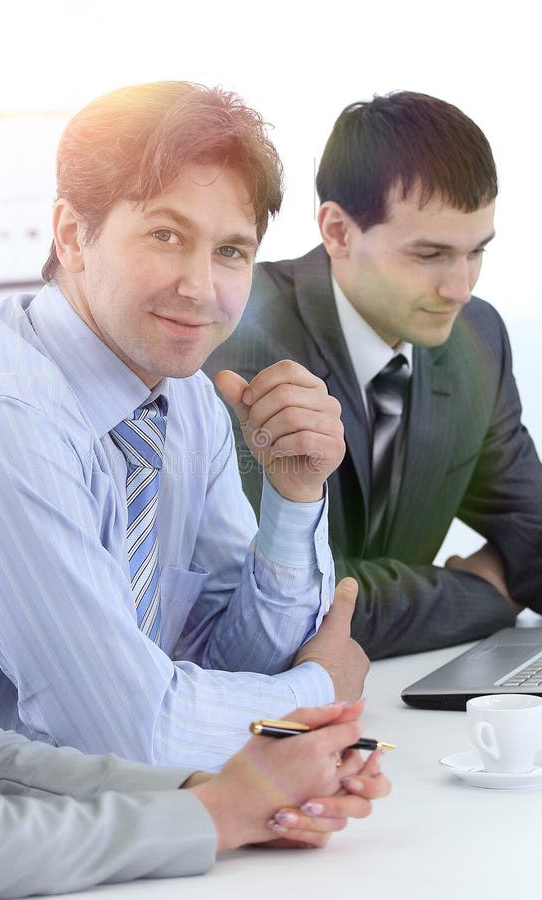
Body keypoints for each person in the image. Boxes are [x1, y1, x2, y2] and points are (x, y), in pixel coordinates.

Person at [0, 45, 391, 900]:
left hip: (100, 840)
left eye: (231, 252)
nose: (200, 286)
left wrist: (294, 500)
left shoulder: (178, 392)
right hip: (38, 856)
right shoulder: (6, 421)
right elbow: (127, 729)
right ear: (71, 235)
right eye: (165, 235)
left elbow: (231, 655)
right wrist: (316, 698)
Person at [205, 91, 542, 660]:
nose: (460, 288)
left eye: (476, 252)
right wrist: (486, 594)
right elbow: (294, 596)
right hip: (263, 713)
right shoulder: (240, 334)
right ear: (337, 231)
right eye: (430, 255)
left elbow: (533, 533)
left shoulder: (476, 337)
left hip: (397, 693)